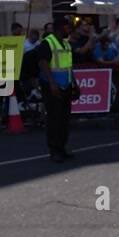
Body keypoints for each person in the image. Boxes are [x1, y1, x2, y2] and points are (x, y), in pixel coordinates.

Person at [36, 16, 76, 163]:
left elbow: (69, 66)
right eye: (67, 27)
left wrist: (75, 84)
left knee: (64, 120)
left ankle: (62, 147)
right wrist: (52, 83)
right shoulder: (47, 43)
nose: (69, 30)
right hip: (52, 87)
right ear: (60, 28)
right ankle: (54, 151)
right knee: (54, 119)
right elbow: (43, 63)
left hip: (65, 86)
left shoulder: (66, 44)